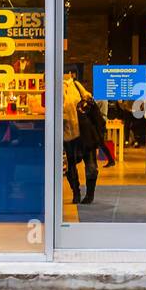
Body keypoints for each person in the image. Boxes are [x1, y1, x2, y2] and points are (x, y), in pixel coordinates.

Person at [62, 74, 100, 205]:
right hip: (68, 134)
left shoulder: (76, 85)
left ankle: (88, 195)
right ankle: (76, 193)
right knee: (71, 166)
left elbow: (88, 97)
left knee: (90, 166)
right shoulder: (60, 88)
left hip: (83, 133)